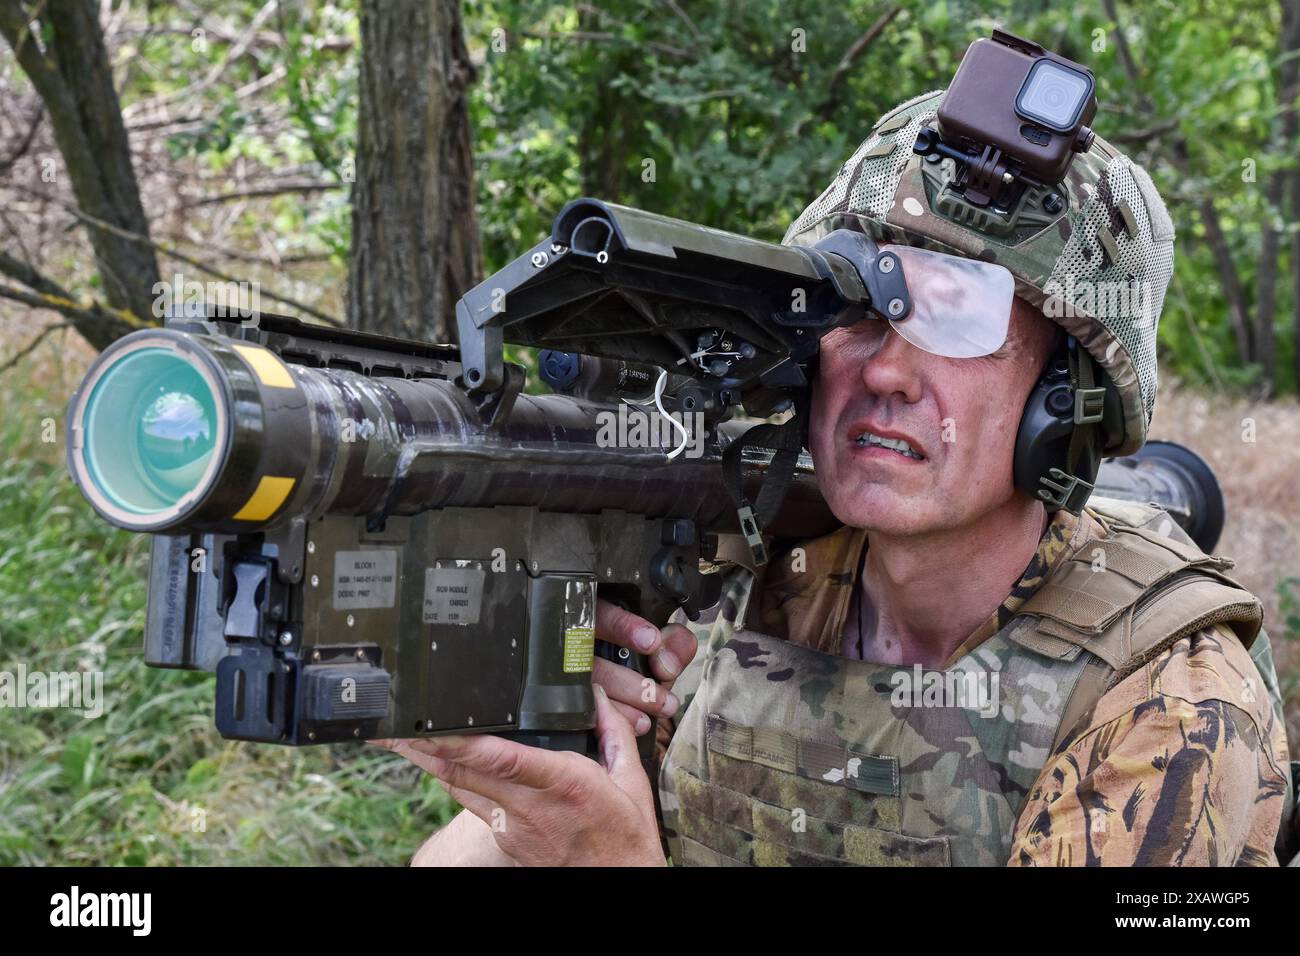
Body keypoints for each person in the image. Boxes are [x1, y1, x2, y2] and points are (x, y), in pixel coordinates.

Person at [374, 89, 1295, 867]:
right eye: (855, 304)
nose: (886, 370)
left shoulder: (1173, 707)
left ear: (1068, 397)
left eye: (952, 317)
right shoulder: (756, 577)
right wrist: (546, 765)